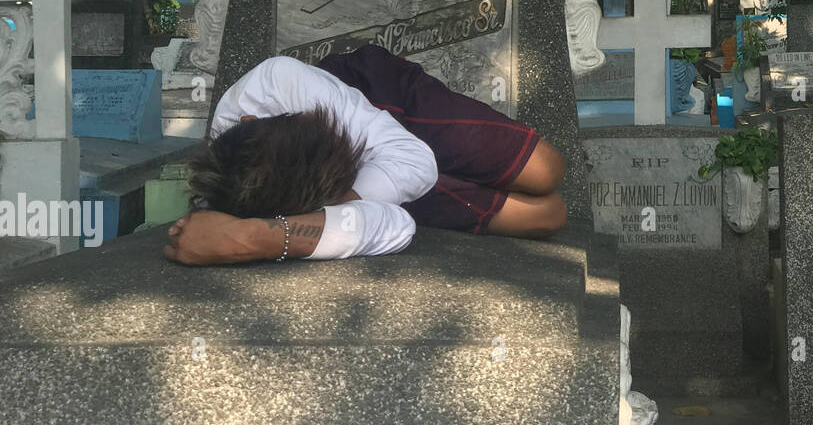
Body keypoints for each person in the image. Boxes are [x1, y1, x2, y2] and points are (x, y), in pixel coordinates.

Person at [164, 44, 566, 265]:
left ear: (254, 118)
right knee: (548, 215)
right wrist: (253, 238)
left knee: (547, 170)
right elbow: (396, 225)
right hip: (347, 182)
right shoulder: (232, 196)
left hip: (377, 95)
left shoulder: (277, 82)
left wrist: (277, 233)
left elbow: (414, 160)